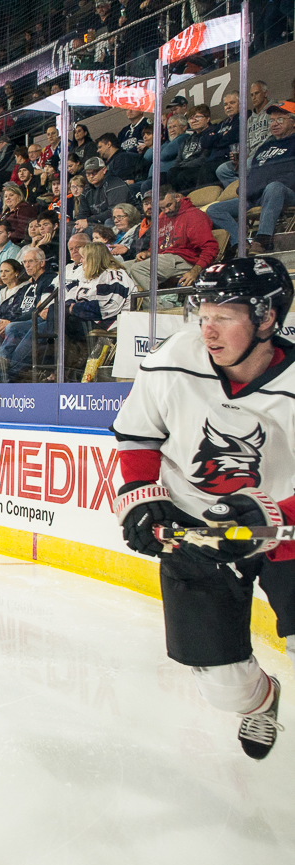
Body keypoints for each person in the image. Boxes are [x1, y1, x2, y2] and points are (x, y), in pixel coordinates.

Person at [112, 256, 295, 760]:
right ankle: (260, 705)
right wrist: (141, 498)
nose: (207, 329)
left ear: (266, 319)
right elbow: (137, 435)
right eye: (203, 312)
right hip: (196, 523)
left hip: (287, 530)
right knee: (225, 687)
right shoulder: (175, 358)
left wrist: (276, 514)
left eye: (226, 315)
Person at [206, 100, 295, 255]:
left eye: (280, 119)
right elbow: (253, 173)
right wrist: (247, 188)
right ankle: (240, 242)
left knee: (274, 187)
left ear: (293, 122)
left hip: (285, 193)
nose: (274, 124)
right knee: (214, 209)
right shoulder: (264, 147)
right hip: (256, 196)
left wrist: (264, 185)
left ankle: (262, 241)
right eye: (271, 120)